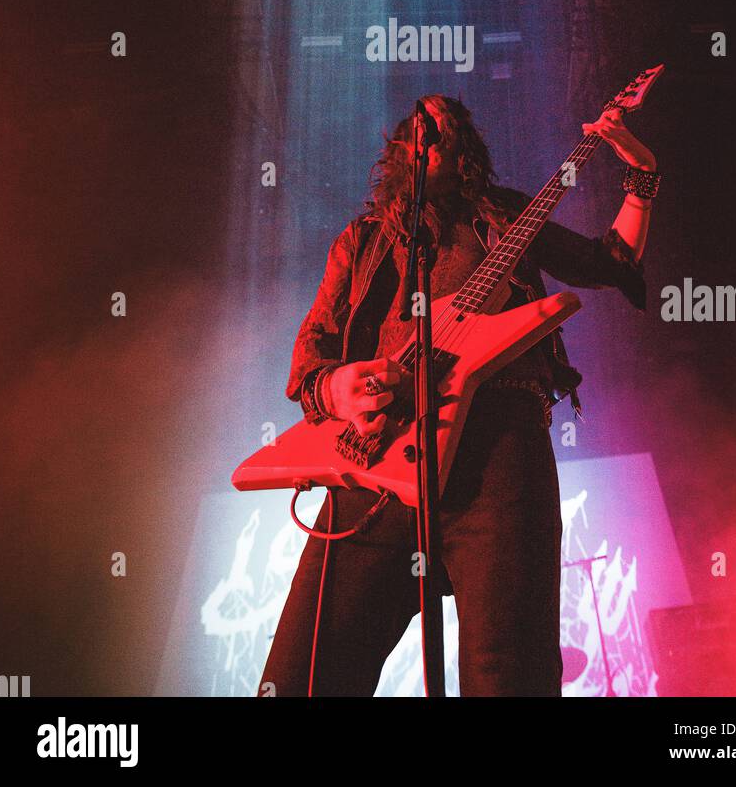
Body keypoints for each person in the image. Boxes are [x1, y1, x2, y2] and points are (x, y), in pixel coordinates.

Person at [258, 94, 658, 697]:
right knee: (303, 676)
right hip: (379, 452)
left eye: (446, 121)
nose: (430, 123)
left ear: (465, 148)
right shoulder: (363, 239)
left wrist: (640, 172)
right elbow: (310, 357)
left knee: (508, 672)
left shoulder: (506, 217)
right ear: (401, 149)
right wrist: (338, 388)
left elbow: (611, 260)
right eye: (418, 122)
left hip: (499, 447)